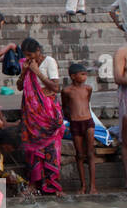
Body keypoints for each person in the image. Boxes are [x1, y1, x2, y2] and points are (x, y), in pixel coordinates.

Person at [19, 37, 63, 195]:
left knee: (51, 148)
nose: (29, 58)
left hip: (47, 113)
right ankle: (35, 184)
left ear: (38, 51)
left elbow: (55, 87)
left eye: (31, 54)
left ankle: (53, 185)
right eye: (26, 55)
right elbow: (19, 87)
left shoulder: (49, 62)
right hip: (31, 114)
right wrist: (24, 72)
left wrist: (37, 72)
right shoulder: (25, 63)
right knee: (33, 150)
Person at [62, 63, 97, 194]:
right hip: (75, 123)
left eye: (85, 74)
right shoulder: (66, 91)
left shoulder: (88, 88)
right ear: (73, 76)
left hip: (88, 122)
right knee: (80, 155)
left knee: (90, 153)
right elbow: (65, 106)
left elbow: (87, 102)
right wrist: (70, 118)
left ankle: (93, 186)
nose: (84, 77)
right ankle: (82, 186)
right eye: (82, 74)